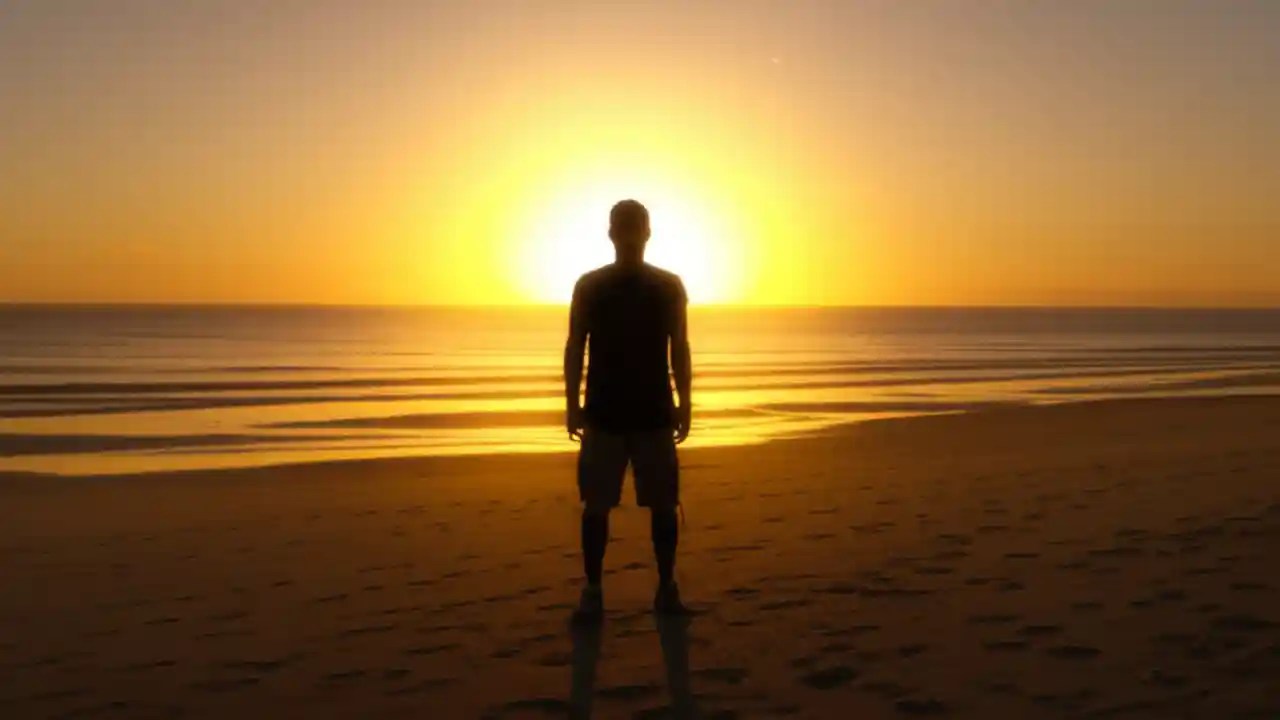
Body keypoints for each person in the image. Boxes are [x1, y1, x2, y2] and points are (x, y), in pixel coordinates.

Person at [564, 199, 692, 621]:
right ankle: (608, 590)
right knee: (607, 506)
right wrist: (572, 404)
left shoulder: (662, 286)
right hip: (615, 412)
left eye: (631, 227)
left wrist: (684, 402)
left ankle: (657, 587)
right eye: (627, 227)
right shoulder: (595, 286)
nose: (630, 235)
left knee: (654, 505)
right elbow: (575, 347)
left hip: (642, 412)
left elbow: (679, 347)